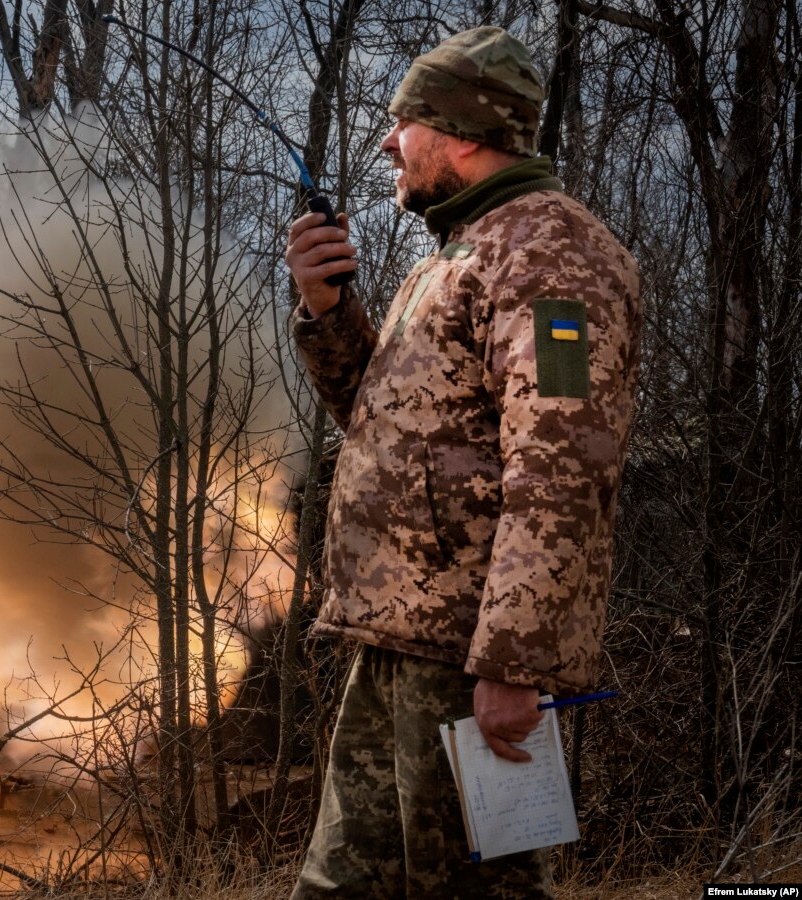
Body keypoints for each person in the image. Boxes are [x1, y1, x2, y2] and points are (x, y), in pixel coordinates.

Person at [282, 26, 643, 899]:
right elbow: (389, 426)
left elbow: (563, 465)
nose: (385, 141)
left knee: (479, 891)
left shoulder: (552, 258)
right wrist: (327, 309)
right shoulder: (453, 255)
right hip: (400, 640)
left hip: (468, 654)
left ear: (464, 134)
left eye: (403, 121)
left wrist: (513, 662)